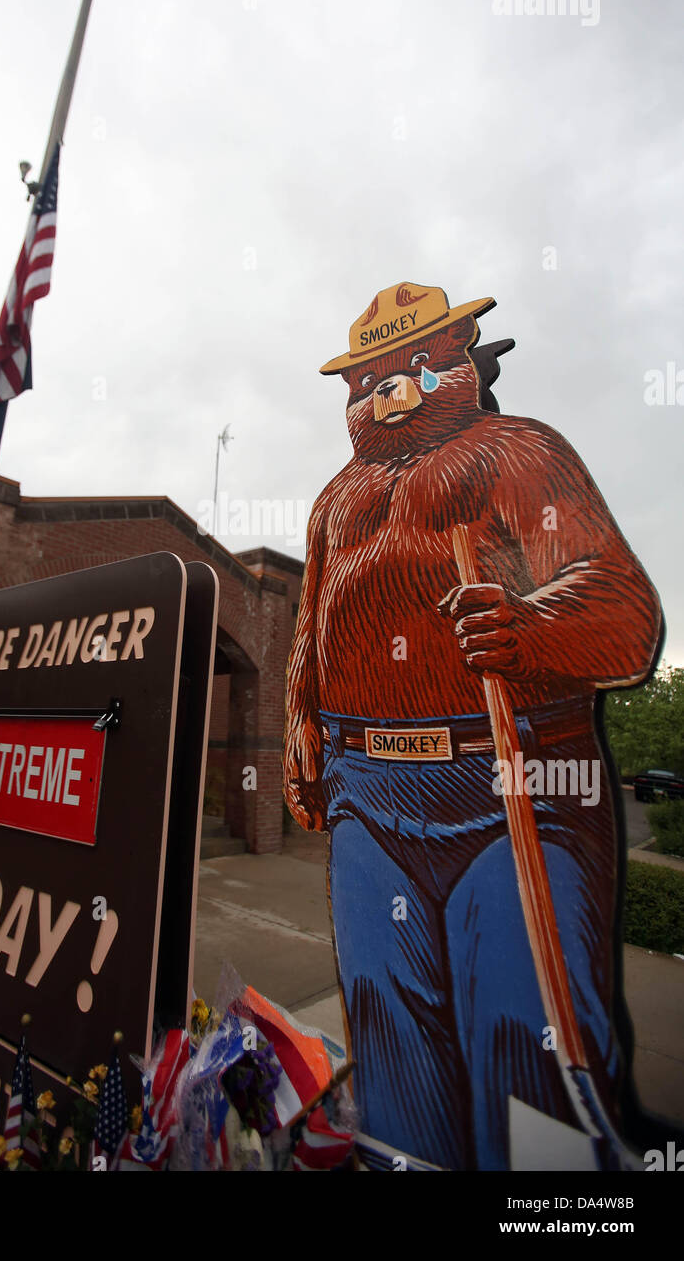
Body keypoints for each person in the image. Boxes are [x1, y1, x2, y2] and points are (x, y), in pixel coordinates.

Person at [283, 280, 663, 1169]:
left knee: (522, 1031)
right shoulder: (335, 502)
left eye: (418, 366)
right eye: (370, 378)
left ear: (467, 364)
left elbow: (625, 611)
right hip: (367, 796)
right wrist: (303, 725)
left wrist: (530, 627)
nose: (394, 391)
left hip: (512, 781)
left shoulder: (517, 453)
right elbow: (312, 628)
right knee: (386, 1023)